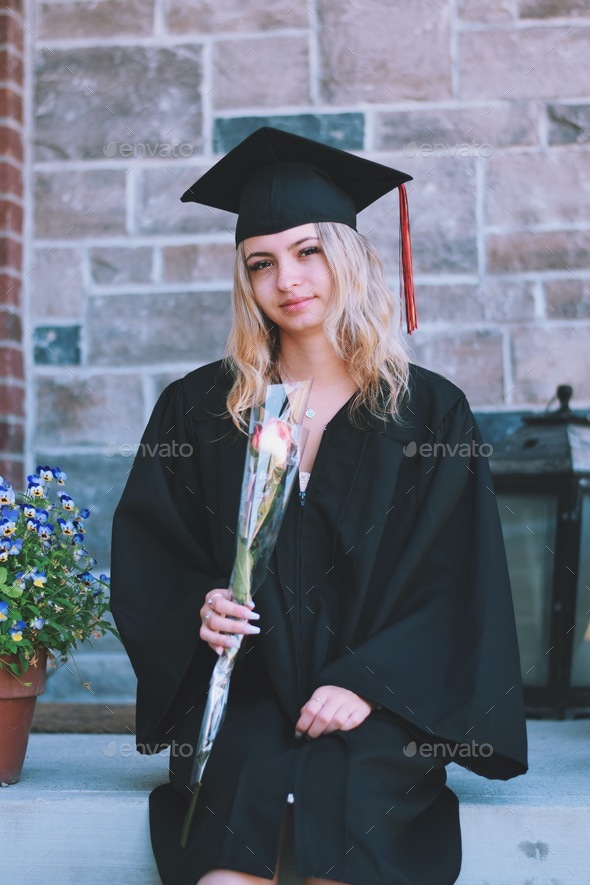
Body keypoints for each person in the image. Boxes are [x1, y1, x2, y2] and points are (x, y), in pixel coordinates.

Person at [110, 128, 528, 885]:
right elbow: (152, 556)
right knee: (228, 849)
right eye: (260, 262)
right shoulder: (199, 410)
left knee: (349, 830)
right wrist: (197, 611)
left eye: (307, 251)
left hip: (385, 708)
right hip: (248, 695)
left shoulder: (428, 414)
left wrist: (368, 679)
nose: (287, 279)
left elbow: (457, 579)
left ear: (350, 254)